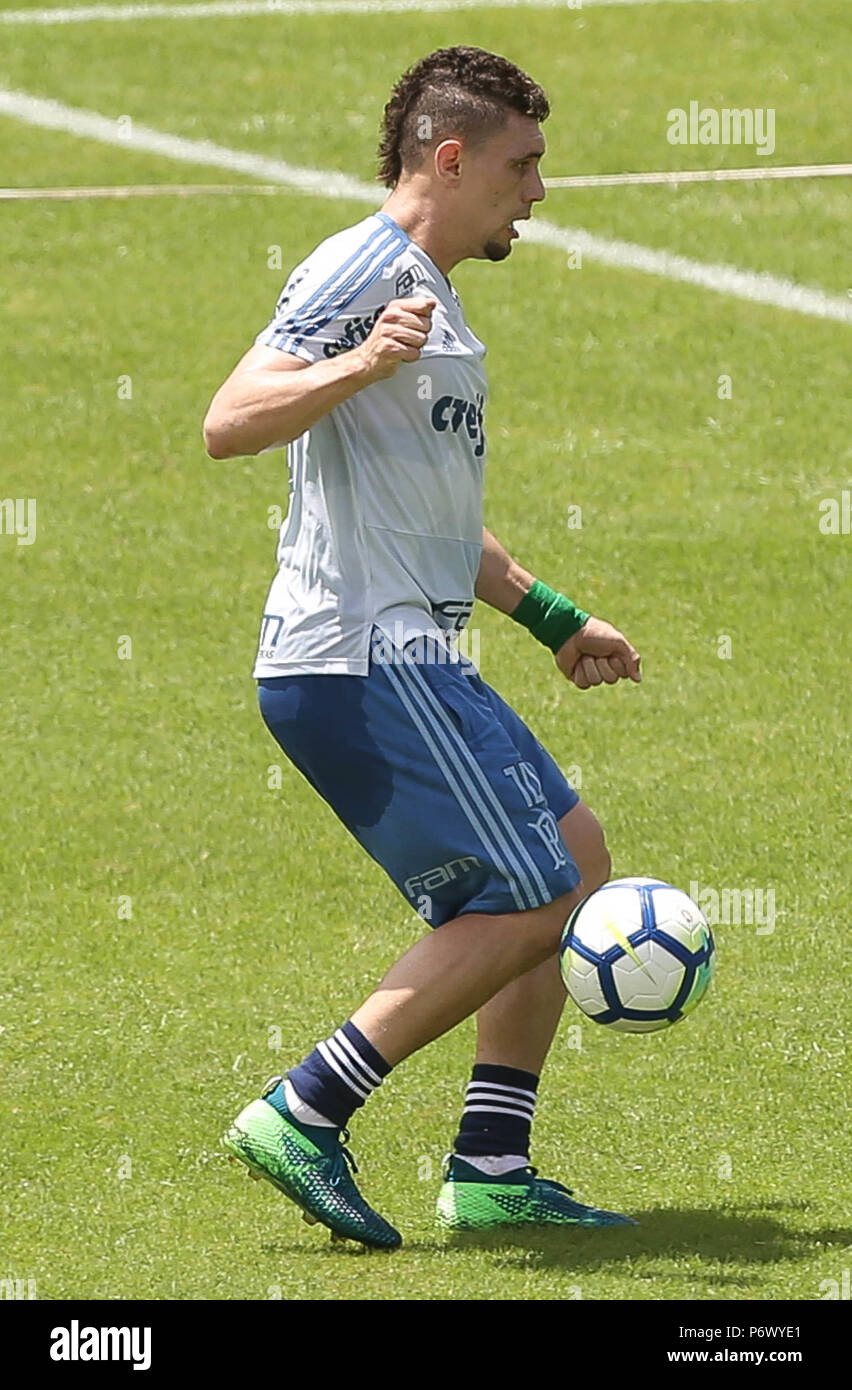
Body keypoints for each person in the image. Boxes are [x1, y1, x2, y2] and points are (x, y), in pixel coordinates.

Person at [203, 46, 641, 1250]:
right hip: (360, 659)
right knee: (538, 894)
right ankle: (306, 1107)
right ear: (450, 160)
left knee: (575, 856)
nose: (538, 190)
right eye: (523, 163)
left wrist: (553, 617)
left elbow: (434, 516)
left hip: (420, 655)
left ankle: (493, 1166)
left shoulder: (431, 289)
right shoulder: (363, 269)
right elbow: (228, 421)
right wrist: (360, 361)